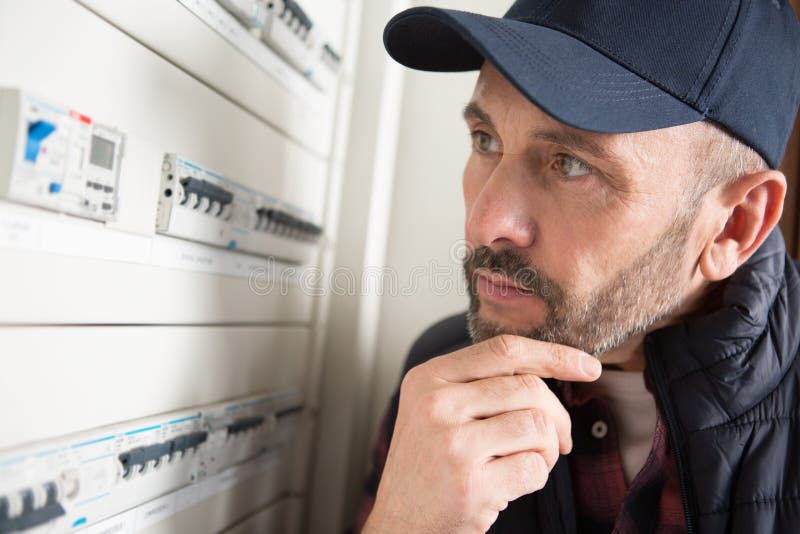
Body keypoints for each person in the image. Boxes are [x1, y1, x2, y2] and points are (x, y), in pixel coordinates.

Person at [355, 1, 800, 533]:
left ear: (734, 226)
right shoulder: (442, 377)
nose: (485, 221)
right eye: (486, 139)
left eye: (571, 164)